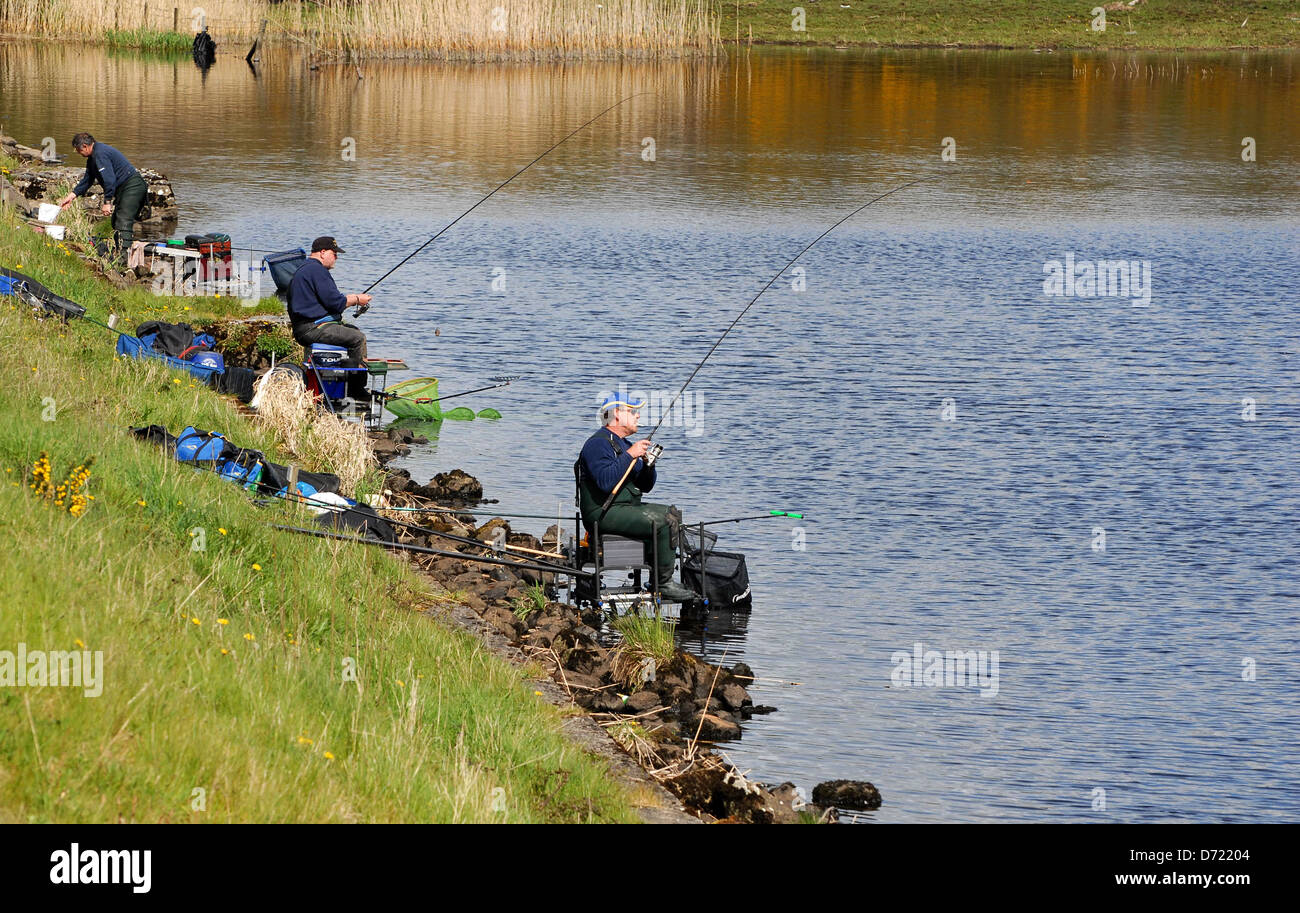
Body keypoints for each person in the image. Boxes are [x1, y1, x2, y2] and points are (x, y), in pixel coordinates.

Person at [578, 390, 696, 602]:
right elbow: (605, 481)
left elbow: (645, 486)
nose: (638, 416)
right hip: (601, 512)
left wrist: (649, 466)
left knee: (672, 514)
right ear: (616, 415)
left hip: (623, 508)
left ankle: (659, 579)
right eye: (632, 412)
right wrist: (631, 454)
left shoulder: (623, 444)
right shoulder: (598, 444)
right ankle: (664, 584)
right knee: (663, 521)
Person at [287, 236, 373, 400]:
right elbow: (336, 303)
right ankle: (356, 389)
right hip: (312, 328)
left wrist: (350, 299)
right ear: (323, 252)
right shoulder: (317, 270)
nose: (336, 258)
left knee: (352, 331)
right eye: (334, 253)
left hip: (305, 327)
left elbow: (327, 301)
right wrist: (357, 299)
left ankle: (341, 382)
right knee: (358, 338)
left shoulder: (305, 268)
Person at [57, 133, 149, 255]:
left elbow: (109, 180)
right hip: (124, 188)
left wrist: (107, 202)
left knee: (123, 219)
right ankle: (119, 251)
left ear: (85, 146)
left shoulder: (100, 154)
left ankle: (124, 257)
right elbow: (87, 180)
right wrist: (71, 196)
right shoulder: (93, 158)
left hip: (133, 185)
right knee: (115, 221)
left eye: (79, 150)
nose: (79, 153)